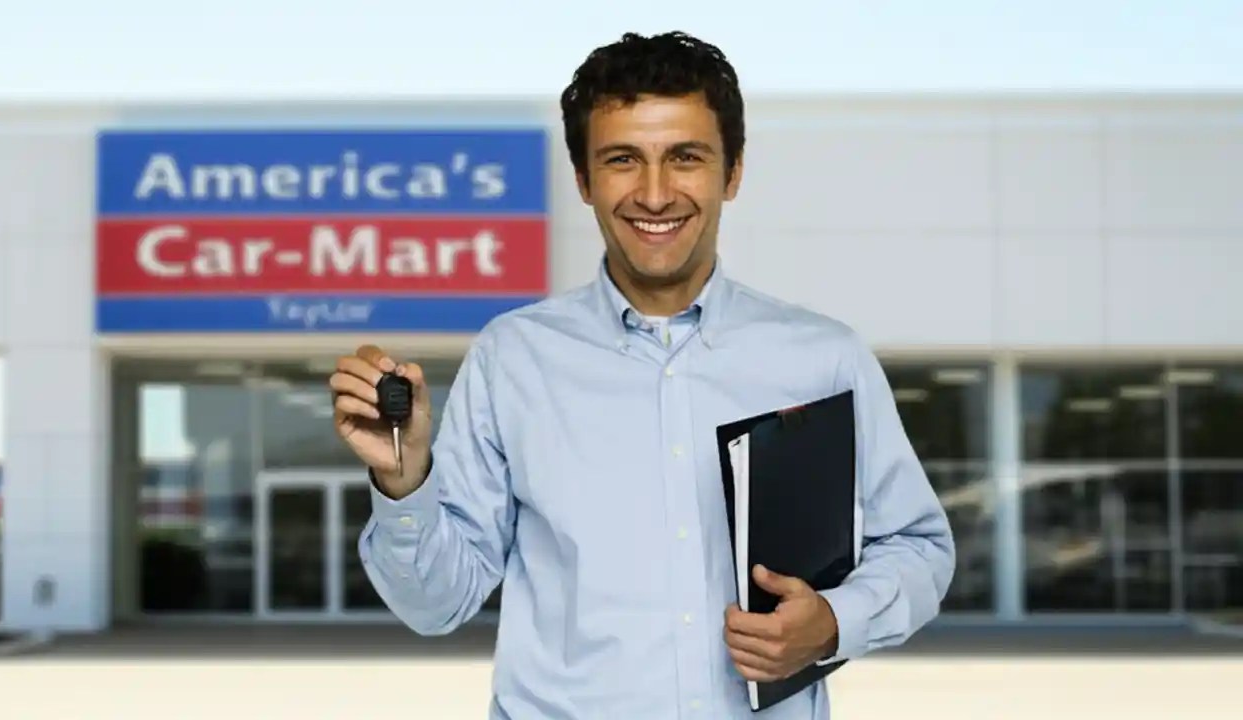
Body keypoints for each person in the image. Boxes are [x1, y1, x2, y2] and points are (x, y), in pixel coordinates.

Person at [329, 30, 955, 719]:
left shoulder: (823, 359)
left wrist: (834, 621)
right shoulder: (512, 360)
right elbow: (434, 605)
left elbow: (919, 548)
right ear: (584, 180)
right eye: (623, 160)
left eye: (686, 157)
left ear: (732, 172)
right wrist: (404, 479)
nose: (655, 195)